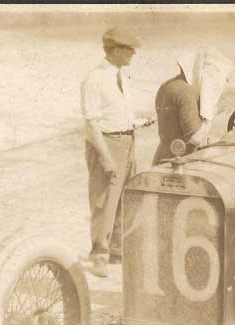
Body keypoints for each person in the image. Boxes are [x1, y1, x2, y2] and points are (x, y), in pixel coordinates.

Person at [80, 26, 150, 278]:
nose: (133, 54)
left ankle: (117, 251)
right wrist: (106, 157)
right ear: (116, 50)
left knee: (124, 197)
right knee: (104, 201)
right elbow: (92, 123)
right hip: (107, 144)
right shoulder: (95, 79)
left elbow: (118, 112)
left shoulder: (120, 76)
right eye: (129, 49)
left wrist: (137, 121)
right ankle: (98, 256)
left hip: (127, 140)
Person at [152, 47, 232, 166]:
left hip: (163, 158)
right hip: (180, 164)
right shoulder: (186, 93)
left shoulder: (169, 85)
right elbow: (195, 138)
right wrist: (212, 113)